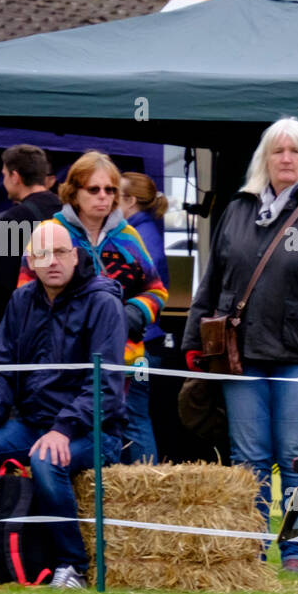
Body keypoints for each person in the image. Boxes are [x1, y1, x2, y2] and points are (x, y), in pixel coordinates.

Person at [182, 117, 298, 572]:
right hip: (241, 356)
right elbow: (212, 281)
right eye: (278, 151)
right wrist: (193, 341)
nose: (286, 159)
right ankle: (251, 545)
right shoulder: (237, 209)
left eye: (296, 151)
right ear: (264, 158)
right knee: (249, 458)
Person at [0, 222, 126, 589]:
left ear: (75, 256)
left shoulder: (103, 302)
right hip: (30, 424)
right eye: (42, 254)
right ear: (30, 260)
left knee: (45, 459)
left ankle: (73, 566)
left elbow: (106, 386)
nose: (52, 261)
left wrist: (63, 428)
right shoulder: (21, 300)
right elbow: (2, 369)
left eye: (59, 252)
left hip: (93, 430)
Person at [18, 151, 166, 465]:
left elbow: (156, 289)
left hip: (125, 358)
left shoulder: (129, 237)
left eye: (110, 190)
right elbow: (25, 293)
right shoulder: (50, 233)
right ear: (73, 192)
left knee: (136, 426)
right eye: (93, 189)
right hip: (64, 365)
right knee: (65, 434)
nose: (103, 197)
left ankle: (140, 508)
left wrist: (135, 313)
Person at [0, 144, 63, 343]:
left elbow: (4, 283)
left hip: (18, 330)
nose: (4, 181)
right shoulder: (68, 213)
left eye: (4, 175)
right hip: (62, 324)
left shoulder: (13, 219)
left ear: (15, 177)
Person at [118, 172, 171, 464]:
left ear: (131, 201)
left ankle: (144, 481)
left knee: (134, 418)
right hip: (145, 339)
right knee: (133, 416)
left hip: (140, 342)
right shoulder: (144, 232)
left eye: (116, 195)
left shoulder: (138, 237)